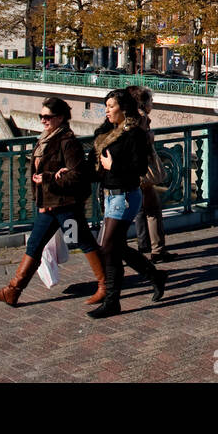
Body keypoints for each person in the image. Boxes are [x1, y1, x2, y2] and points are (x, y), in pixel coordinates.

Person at [0, 97, 105, 307]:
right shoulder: (46, 138)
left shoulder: (68, 142)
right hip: (49, 207)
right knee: (35, 245)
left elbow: (77, 175)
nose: (43, 120)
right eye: (41, 116)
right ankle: (12, 291)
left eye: (47, 116)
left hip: (65, 206)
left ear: (60, 118)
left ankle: (106, 285)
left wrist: (48, 177)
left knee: (83, 241)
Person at [87, 88, 168, 318]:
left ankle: (113, 301)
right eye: (106, 107)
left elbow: (139, 168)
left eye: (111, 106)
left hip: (126, 196)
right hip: (110, 195)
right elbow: (96, 162)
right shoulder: (109, 131)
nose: (107, 111)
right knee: (115, 247)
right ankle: (155, 276)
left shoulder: (135, 134)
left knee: (108, 247)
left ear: (123, 109)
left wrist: (115, 167)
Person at [128, 85, 178, 262]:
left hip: (132, 170)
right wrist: (149, 137)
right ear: (142, 103)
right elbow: (140, 142)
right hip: (142, 169)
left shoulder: (128, 117)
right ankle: (157, 250)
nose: (152, 104)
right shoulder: (141, 119)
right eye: (150, 101)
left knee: (141, 209)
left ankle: (145, 245)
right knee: (152, 209)